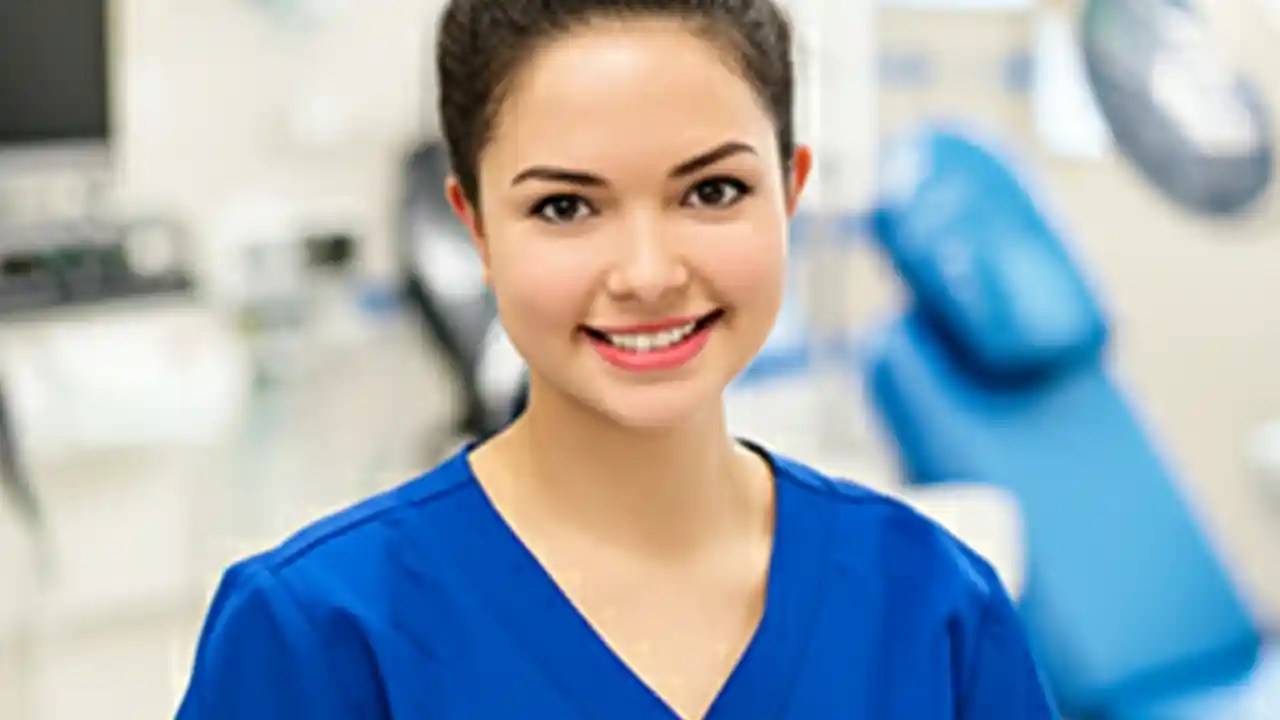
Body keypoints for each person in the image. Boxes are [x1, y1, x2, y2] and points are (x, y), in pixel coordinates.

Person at [176, 1, 1059, 717]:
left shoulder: (930, 606)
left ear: (788, 193)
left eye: (712, 192)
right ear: (475, 227)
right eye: (566, 207)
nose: (647, 275)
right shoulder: (319, 634)